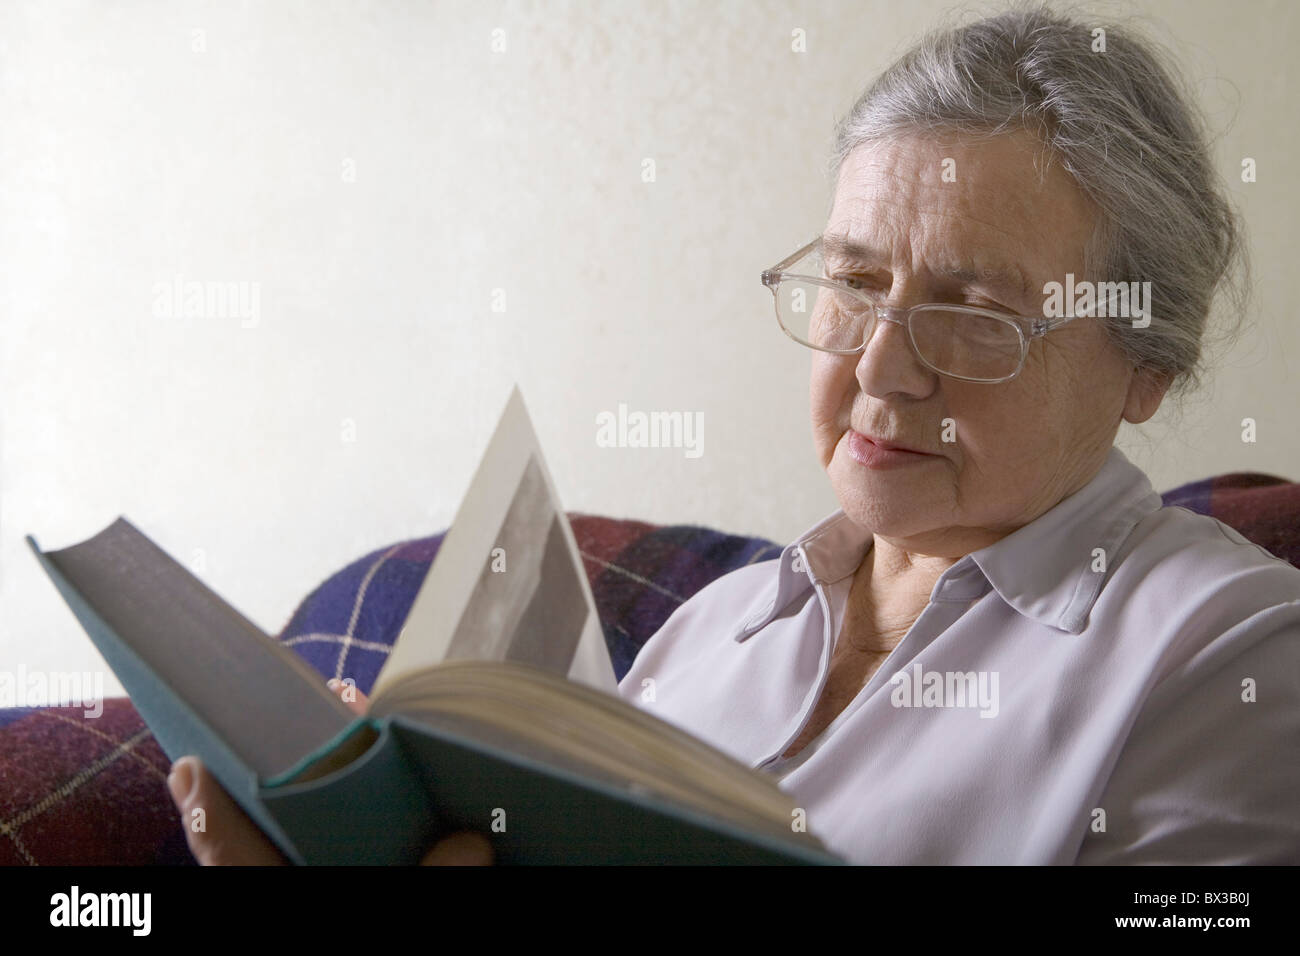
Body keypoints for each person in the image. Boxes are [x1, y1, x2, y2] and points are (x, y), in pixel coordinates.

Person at [170, 5, 1300, 864]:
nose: (879, 366)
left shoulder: (1232, 650)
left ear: (1143, 367)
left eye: (974, 315)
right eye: (853, 283)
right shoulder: (716, 628)